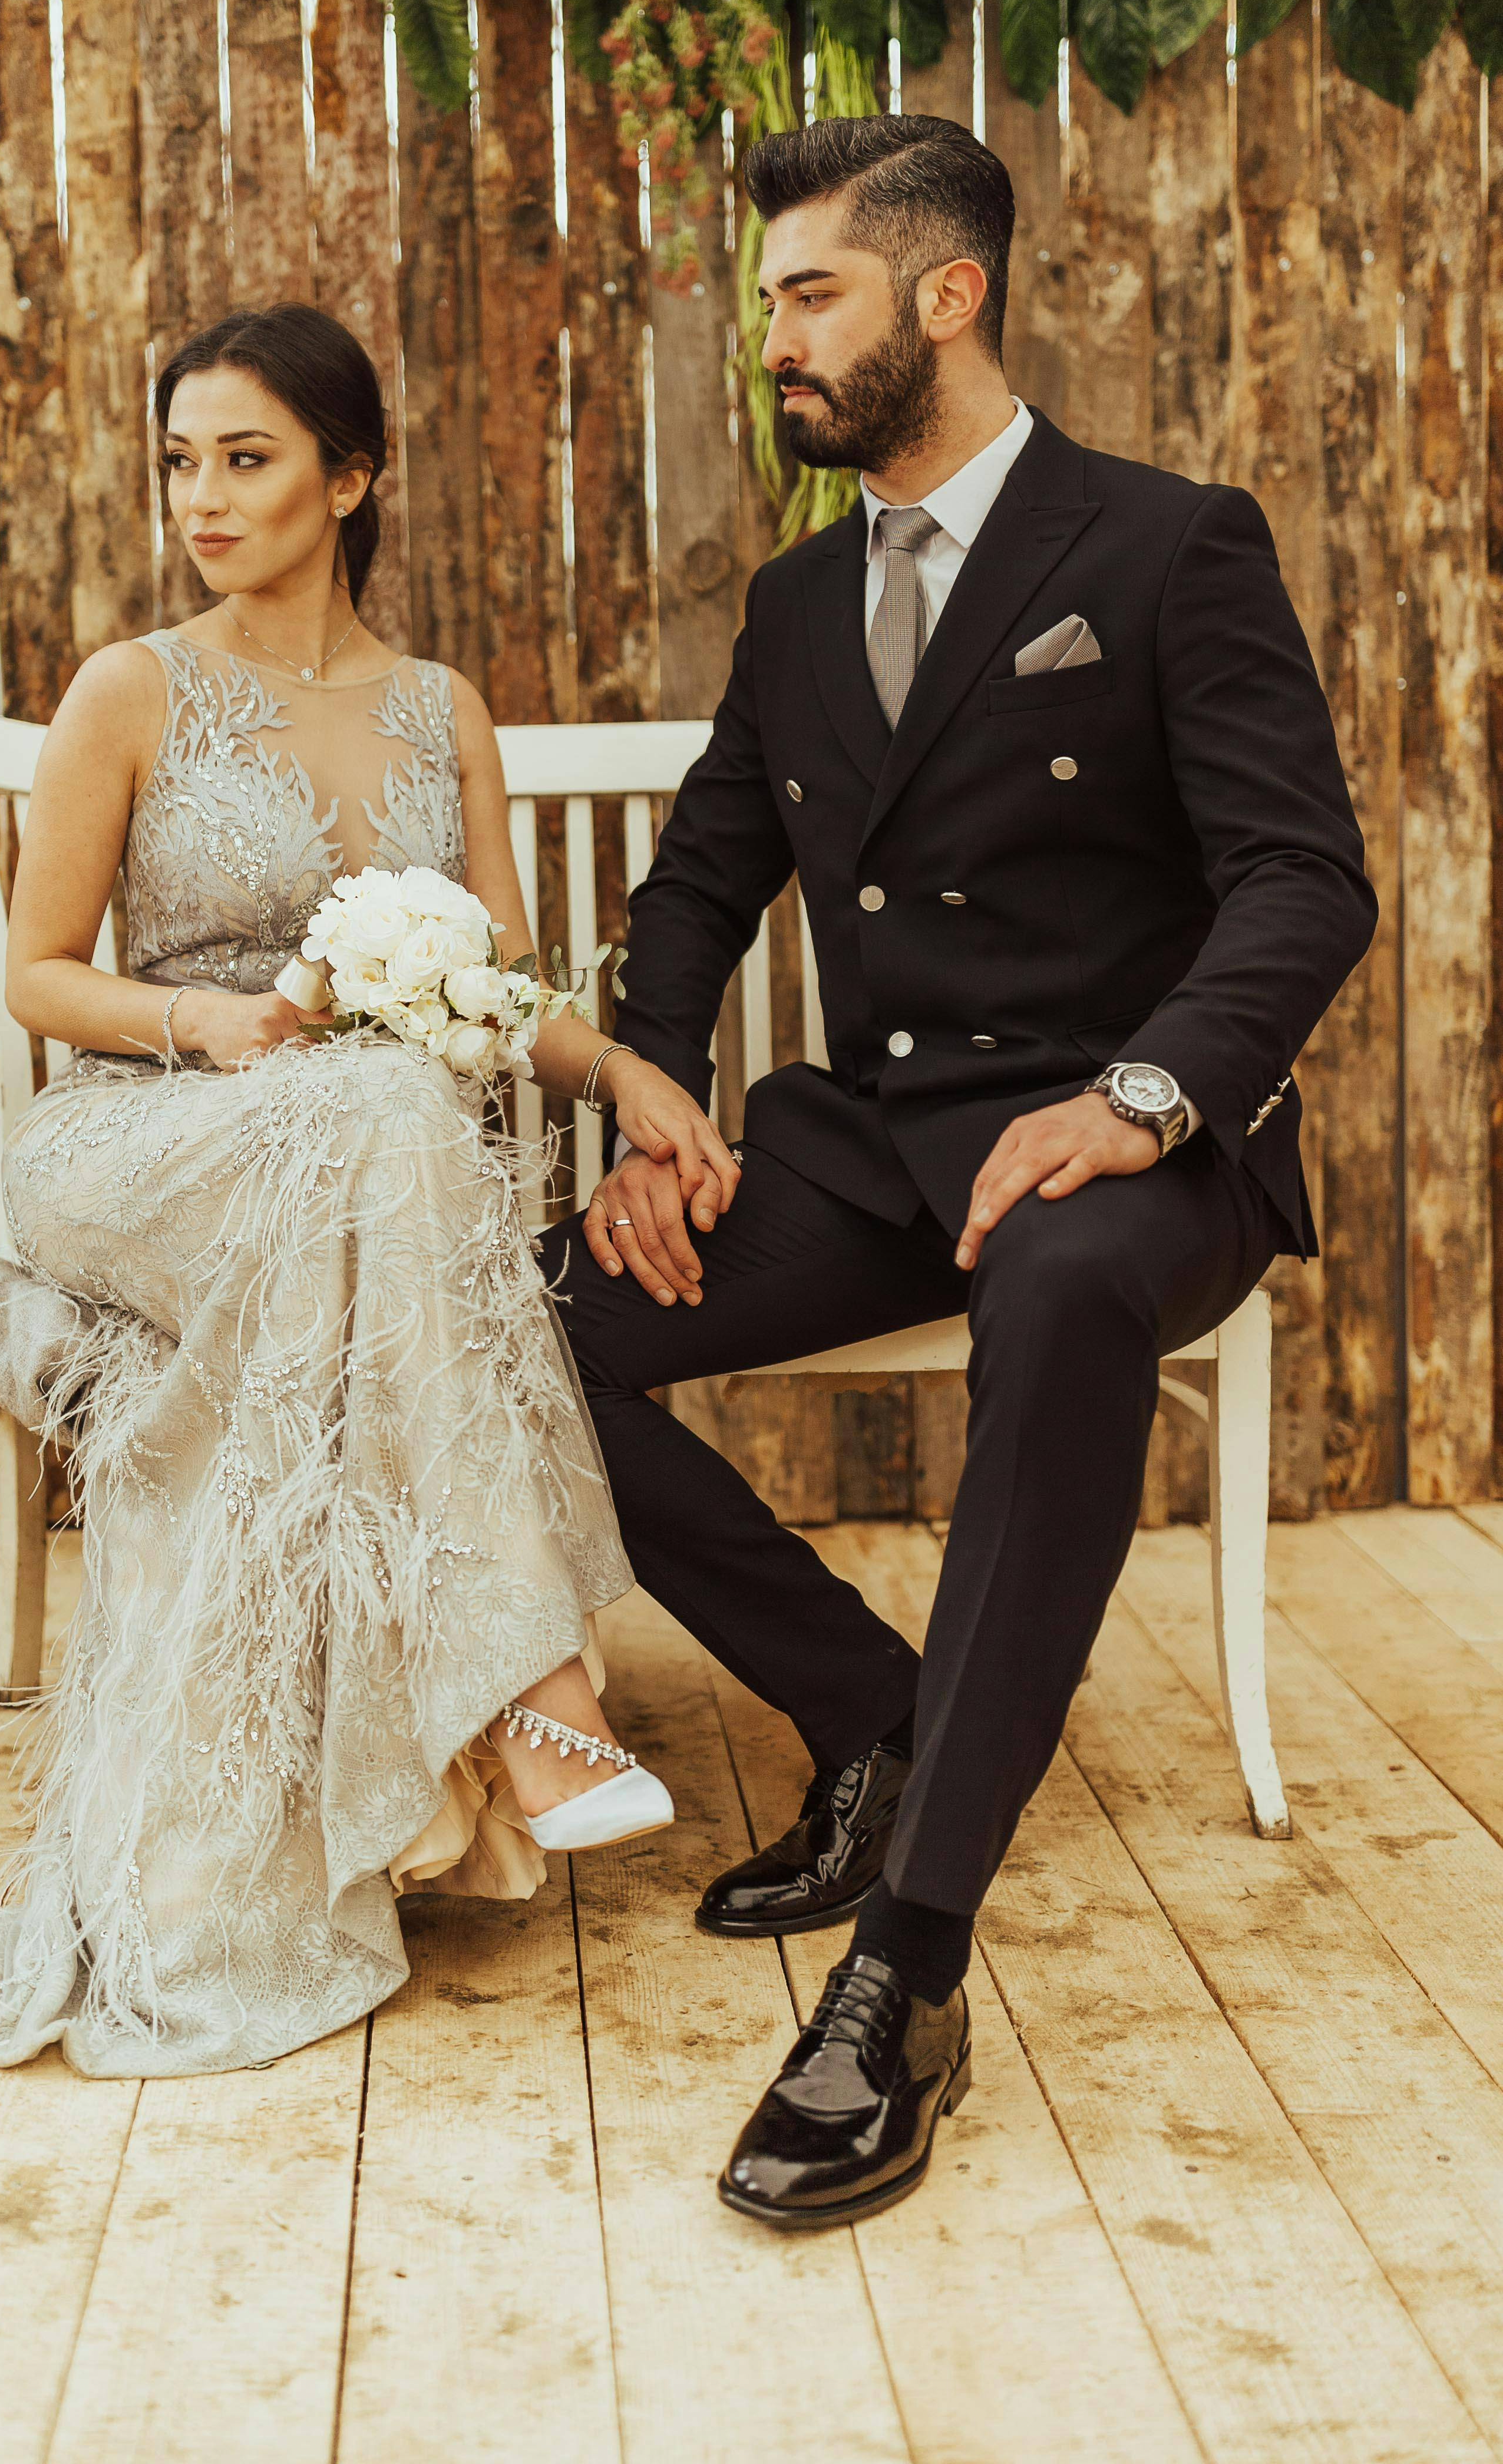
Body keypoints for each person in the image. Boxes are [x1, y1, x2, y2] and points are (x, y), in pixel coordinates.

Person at [544, 114, 1376, 2229]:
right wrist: (652, 1089)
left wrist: (1151, 1096)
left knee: (1069, 1286)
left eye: (810, 296)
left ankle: (906, 1970)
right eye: (767, 307)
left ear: (949, 295)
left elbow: (1305, 879)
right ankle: (881, 1713)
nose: (778, 345)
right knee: (531, 1323)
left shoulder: (1169, 543)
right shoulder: (806, 593)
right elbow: (709, 877)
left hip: (1140, 1136)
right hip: (888, 1138)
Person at [0, 302, 732, 2080]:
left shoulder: (444, 709)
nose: (202, 497)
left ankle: (434, 1751)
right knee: (381, 1118)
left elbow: (497, 990)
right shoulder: (130, 688)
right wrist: (207, 1019)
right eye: (184, 460)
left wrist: (624, 1072)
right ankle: (535, 1695)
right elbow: (41, 977)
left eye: (248, 457)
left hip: (355, 1170)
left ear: (349, 479)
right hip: (133, 1138)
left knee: (383, 1111)